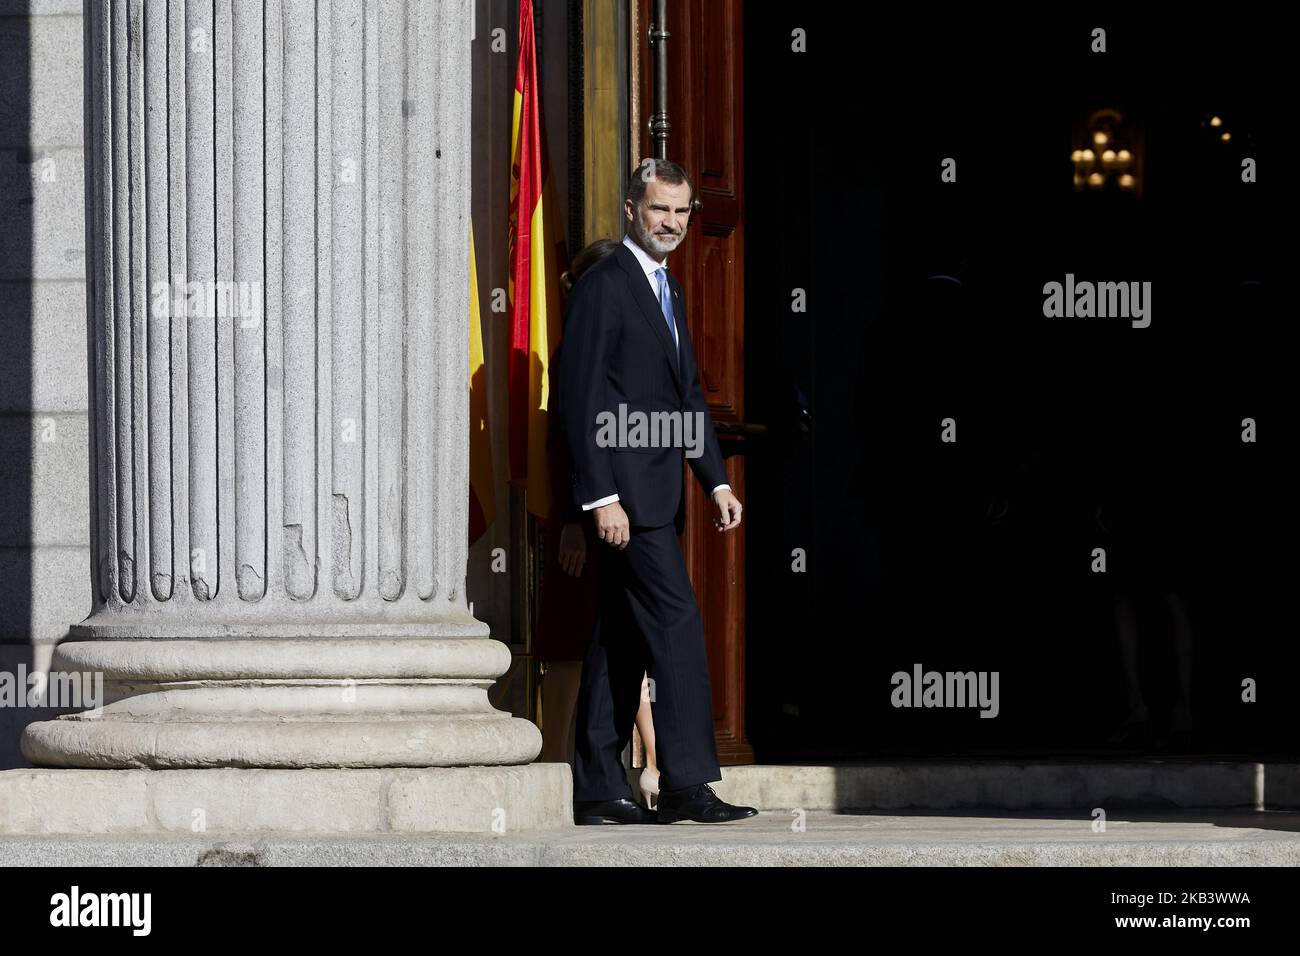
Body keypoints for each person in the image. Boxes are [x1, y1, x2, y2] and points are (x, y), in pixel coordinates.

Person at [557, 158, 757, 825]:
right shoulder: (605, 285)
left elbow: (687, 398)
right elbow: (580, 401)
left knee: (620, 636)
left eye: (681, 211)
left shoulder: (667, 289)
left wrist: (716, 481)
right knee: (676, 623)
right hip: (625, 502)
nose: (671, 223)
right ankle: (684, 784)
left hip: (658, 496)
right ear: (630, 210)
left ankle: (596, 788)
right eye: (658, 210)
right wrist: (598, 498)